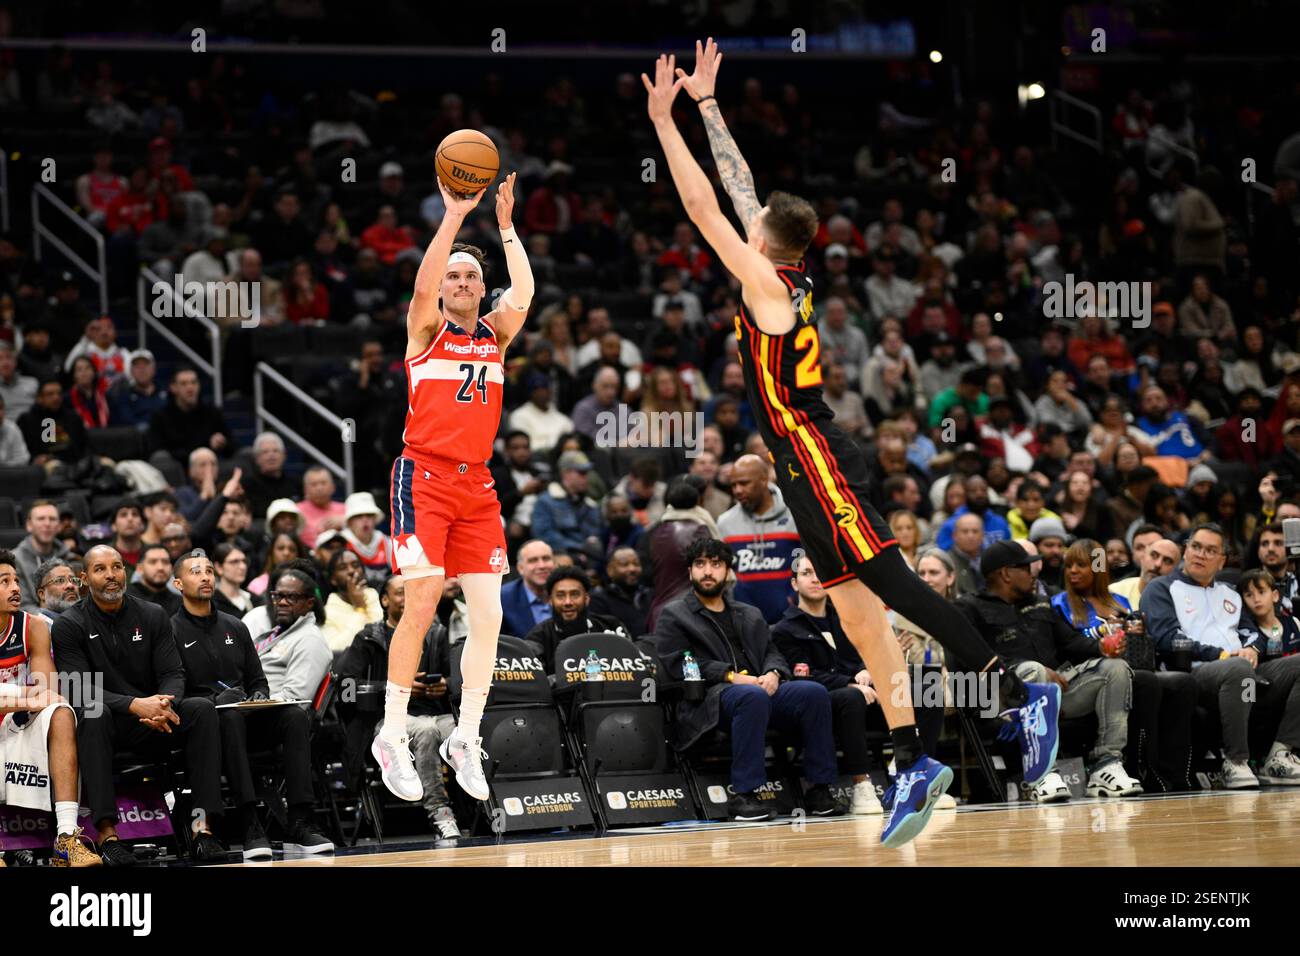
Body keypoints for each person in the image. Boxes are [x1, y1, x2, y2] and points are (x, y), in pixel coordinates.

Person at [648, 41, 1059, 848]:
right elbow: (736, 187)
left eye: (753, 223)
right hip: (803, 458)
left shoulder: (765, 284)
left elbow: (704, 206)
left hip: (811, 449)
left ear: (765, 241)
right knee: (858, 613)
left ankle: (1017, 693)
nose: (746, 217)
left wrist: (664, 121)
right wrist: (706, 105)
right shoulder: (783, 268)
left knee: (891, 580)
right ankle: (911, 762)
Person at [374, 169, 533, 806]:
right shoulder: (424, 329)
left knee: (490, 614)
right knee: (421, 603)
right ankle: (391, 732)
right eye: (453, 276)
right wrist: (453, 219)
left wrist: (506, 227)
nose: (461, 282)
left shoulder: (495, 333)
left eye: (471, 275)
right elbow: (421, 281)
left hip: (478, 485)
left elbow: (525, 289)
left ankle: (464, 736)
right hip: (424, 477)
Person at [51, 545, 225, 865]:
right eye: (100, 569)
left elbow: (173, 673)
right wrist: (134, 705)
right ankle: (107, 835)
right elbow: (76, 687)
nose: (111, 576)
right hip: (110, 724)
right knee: (93, 711)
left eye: (117, 567)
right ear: (85, 578)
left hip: (155, 719)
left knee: (201, 709)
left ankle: (203, 828)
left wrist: (163, 704)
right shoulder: (69, 624)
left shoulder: (152, 614)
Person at [655, 538, 844, 821]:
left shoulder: (749, 613)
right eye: (700, 564)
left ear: (728, 572)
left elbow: (772, 652)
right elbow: (678, 663)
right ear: (690, 572)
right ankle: (745, 795)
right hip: (710, 699)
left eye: (716, 564)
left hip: (757, 690)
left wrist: (773, 674)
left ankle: (819, 789)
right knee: (751, 696)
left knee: (813, 692)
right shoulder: (674, 615)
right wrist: (730, 677)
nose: (708, 571)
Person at [170, 550, 334, 859]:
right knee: (229, 718)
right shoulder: (170, 630)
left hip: (247, 716)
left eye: (208, 571)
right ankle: (249, 822)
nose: (205, 577)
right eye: (195, 572)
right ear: (178, 583)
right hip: (207, 726)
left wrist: (258, 696)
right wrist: (217, 700)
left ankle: (300, 819)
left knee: (294, 717)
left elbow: (257, 679)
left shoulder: (235, 625)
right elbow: (175, 691)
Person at [956, 540, 1142, 801]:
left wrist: (1101, 647)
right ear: (1006, 574)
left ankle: (1106, 764)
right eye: (1026, 568)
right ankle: (1043, 770)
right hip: (1003, 700)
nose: (1033, 573)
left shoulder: (1041, 603)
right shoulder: (969, 607)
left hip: (1057, 690)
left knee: (1115, 669)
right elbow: (969, 661)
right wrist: (1024, 669)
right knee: (1033, 671)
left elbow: (1070, 643)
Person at [1144, 524, 1300, 788]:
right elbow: (1168, 637)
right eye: (1196, 547)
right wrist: (1223, 655)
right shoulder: (1161, 588)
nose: (1201, 555)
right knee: (1237, 668)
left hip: (1243, 671)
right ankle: (1235, 760)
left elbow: (1253, 634)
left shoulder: (1230, 592)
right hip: (1193, 672)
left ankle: (1280, 754)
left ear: (1222, 560)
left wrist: (1252, 649)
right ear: (1185, 550)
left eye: (1210, 550)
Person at [1052, 539, 1197, 793]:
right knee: (1145, 682)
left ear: (1098, 568)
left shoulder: (1119, 601)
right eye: (1069, 565)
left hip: (1130, 664)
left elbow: (1136, 642)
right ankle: (1141, 768)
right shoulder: (1060, 603)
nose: (1072, 570)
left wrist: (1136, 631)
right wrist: (1100, 633)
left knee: (1182, 683)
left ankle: (1177, 772)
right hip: (1085, 673)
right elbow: (1065, 646)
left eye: (1081, 565)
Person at [337, 575, 461, 840]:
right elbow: (346, 687)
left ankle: (487, 809)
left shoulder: (436, 633)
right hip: (389, 720)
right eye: (400, 593)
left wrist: (445, 684)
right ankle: (440, 812)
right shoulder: (368, 638)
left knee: (473, 731)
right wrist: (394, 688)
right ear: (384, 600)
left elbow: (456, 679)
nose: (409, 599)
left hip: (437, 714)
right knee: (426, 731)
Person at [0, 551, 102, 866]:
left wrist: (18, 697)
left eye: (16, 580)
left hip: (15, 720)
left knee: (61, 713)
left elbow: (50, 692)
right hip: (15, 708)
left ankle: (67, 838)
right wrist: (24, 694)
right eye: (4, 582)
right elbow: (36, 694)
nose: (15, 588)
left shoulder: (33, 626)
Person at [771, 555, 889, 815]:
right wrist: (849, 682)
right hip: (825, 704)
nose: (815, 579)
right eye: (807, 573)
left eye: (820, 572)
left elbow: (864, 655)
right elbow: (802, 677)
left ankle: (919, 774)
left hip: (867, 692)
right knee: (850, 698)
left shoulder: (848, 620)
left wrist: (866, 670)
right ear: (794, 583)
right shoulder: (785, 629)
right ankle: (862, 787)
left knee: (922, 687)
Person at [717, 453, 802, 623]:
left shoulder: (796, 515)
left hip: (792, 620)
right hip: (743, 623)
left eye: (744, 483)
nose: (737, 491)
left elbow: (810, 564)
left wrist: (794, 600)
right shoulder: (725, 523)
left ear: (764, 480)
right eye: (733, 485)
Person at [243, 566, 332, 705]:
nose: (282, 602)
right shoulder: (281, 632)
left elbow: (296, 699)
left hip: (268, 717)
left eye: (292, 597)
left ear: (309, 603)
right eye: (278, 596)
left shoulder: (311, 640)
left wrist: (249, 705)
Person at [524, 567, 630, 673]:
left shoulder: (610, 626)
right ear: (551, 601)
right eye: (560, 596)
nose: (568, 602)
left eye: (575, 594)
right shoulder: (538, 637)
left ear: (586, 599)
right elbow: (534, 679)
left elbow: (632, 667)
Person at [530, 451, 605, 557]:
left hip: (590, 558)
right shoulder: (545, 502)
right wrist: (580, 548)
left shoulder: (589, 504)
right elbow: (544, 535)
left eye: (587, 473)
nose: (586, 477)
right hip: (560, 557)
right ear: (565, 473)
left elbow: (596, 534)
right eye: (581, 472)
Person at [321, 548, 383, 654]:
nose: (351, 571)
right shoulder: (327, 612)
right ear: (333, 580)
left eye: (355, 565)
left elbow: (382, 634)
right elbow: (336, 649)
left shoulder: (373, 595)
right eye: (342, 567)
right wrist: (360, 609)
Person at [14, 500, 70, 613]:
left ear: (59, 526)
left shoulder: (70, 558)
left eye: (52, 519)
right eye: (41, 519)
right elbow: (23, 605)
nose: (47, 524)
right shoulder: (14, 560)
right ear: (29, 525)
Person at [589, 546, 650, 638]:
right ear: (610, 570)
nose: (632, 569)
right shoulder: (598, 600)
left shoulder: (650, 595)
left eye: (636, 564)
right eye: (625, 564)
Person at [500, 540, 556, 639]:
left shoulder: (568, 593)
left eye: (546, 558)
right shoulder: (503, 599)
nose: (542, 566)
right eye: (533, 560)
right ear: (520, 568)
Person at [1110, 534, 1180, 610]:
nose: (1158, 564)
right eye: (1154, 555)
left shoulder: (1180, 605)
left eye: (1167, 561)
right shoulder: (1115, 592)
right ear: (1143, 558)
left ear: (1175, 571)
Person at [340, 491, 391, 586]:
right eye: (359, 516)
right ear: (349, 522)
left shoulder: (387, 543)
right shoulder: (340, 542)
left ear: (375, 519)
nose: (365, 520)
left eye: (369, 515)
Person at [296, 466, 347, 549]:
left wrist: (345, 522)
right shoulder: (296, 511)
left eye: (323, 483)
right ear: (305, 489)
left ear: (333, 487)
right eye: (314, 484)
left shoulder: (345, 509)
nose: (319, 488)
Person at [127, 543, 182, 616]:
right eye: (153, 562)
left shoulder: (180, 603)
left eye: (165, 562)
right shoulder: (126, 599)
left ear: (172, 568)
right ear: (139, 568)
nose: (160, 567)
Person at [33, 558, 81, 624]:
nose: (70, 585)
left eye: (73, 580)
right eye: (60, 580)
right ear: (42, 594)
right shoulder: (36, 629)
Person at [212, 542, 254, 618]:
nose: (243, 567)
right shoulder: (211, 603)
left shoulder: (253, 599)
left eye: (244, 561)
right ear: (219, 567)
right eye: (234, 562)